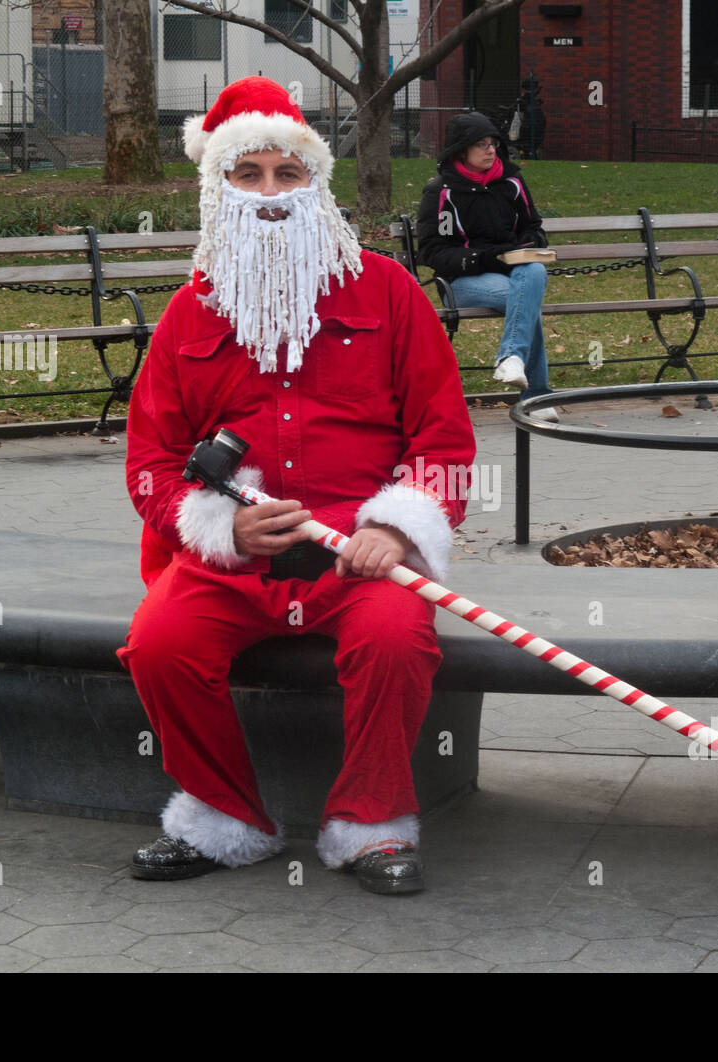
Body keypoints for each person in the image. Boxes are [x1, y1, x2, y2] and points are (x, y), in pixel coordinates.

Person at [118, 76, 476, 895]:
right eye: (249, 175)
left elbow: (445, 440)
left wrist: (397, 529)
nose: (272, 192)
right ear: (219, 190)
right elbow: (150, 462)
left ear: (317, 185)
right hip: (232, 557)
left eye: (290, 173)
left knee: (396, 640)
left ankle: (372, 823)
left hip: (360, 552)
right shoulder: (187, 316)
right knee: (159, 646)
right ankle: (227, 816)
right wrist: (218, 528)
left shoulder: (388, 292)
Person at [415, 111, 558, 422]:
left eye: (493, 143)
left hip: (517, 272)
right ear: (461, 149)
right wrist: (482, 259)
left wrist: (529, 245)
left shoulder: (512, 182)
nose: (490, 150)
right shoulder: (442, 192)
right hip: (463, 281)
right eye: (481, 144)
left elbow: (534, 227)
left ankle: (511, 358)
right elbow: (433, 252)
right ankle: (537, 395)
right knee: (523, 298)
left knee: (533, 271)